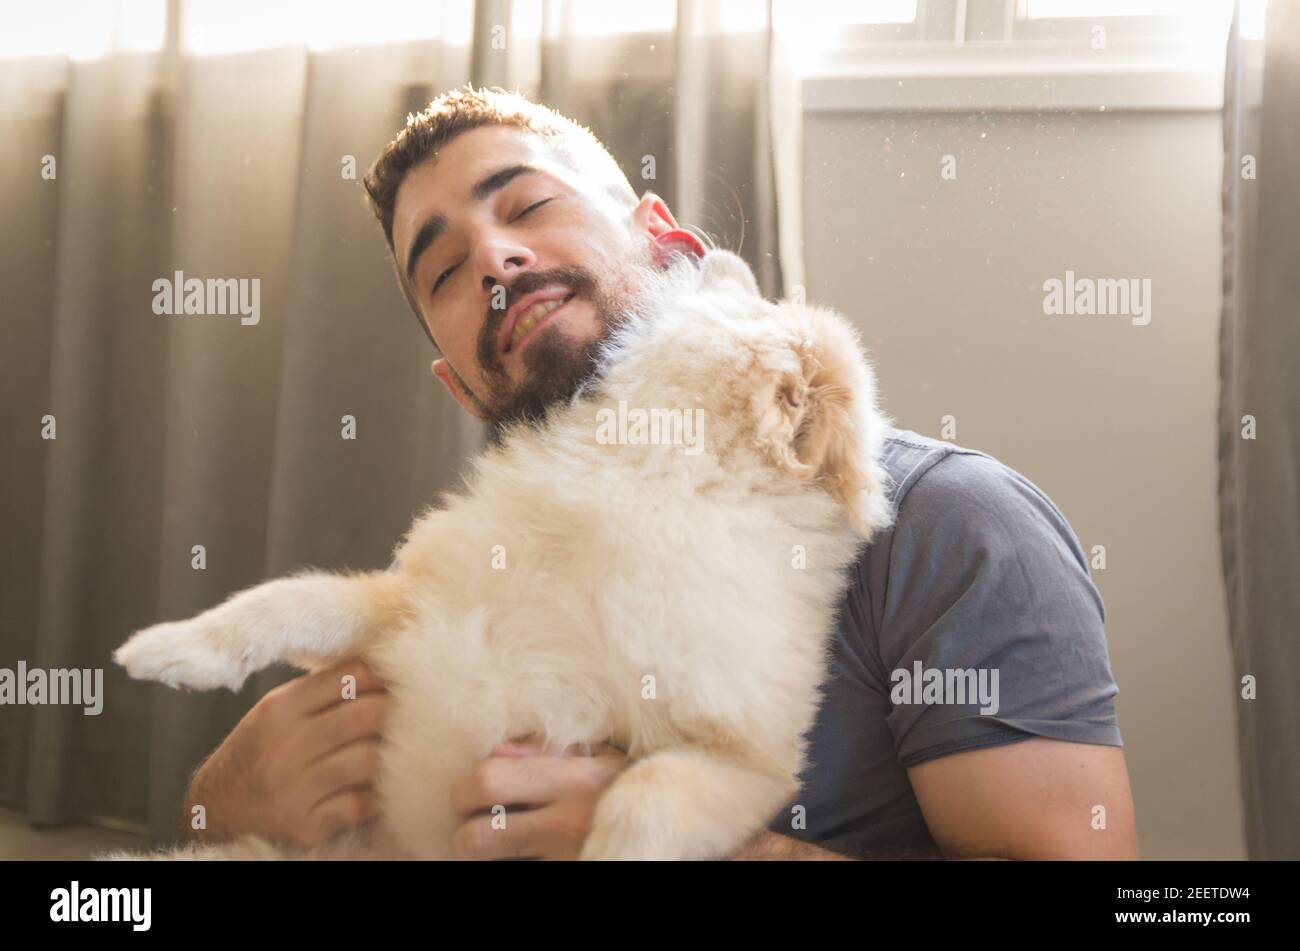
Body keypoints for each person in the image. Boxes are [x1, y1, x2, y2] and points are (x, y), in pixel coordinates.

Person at [179, 85, 1138, 860]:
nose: (495, 259)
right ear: (461, 387)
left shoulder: (948, 529)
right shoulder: (468, 578)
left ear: (670, 241)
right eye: (444, 272)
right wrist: (221, 802)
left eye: (528, 205)